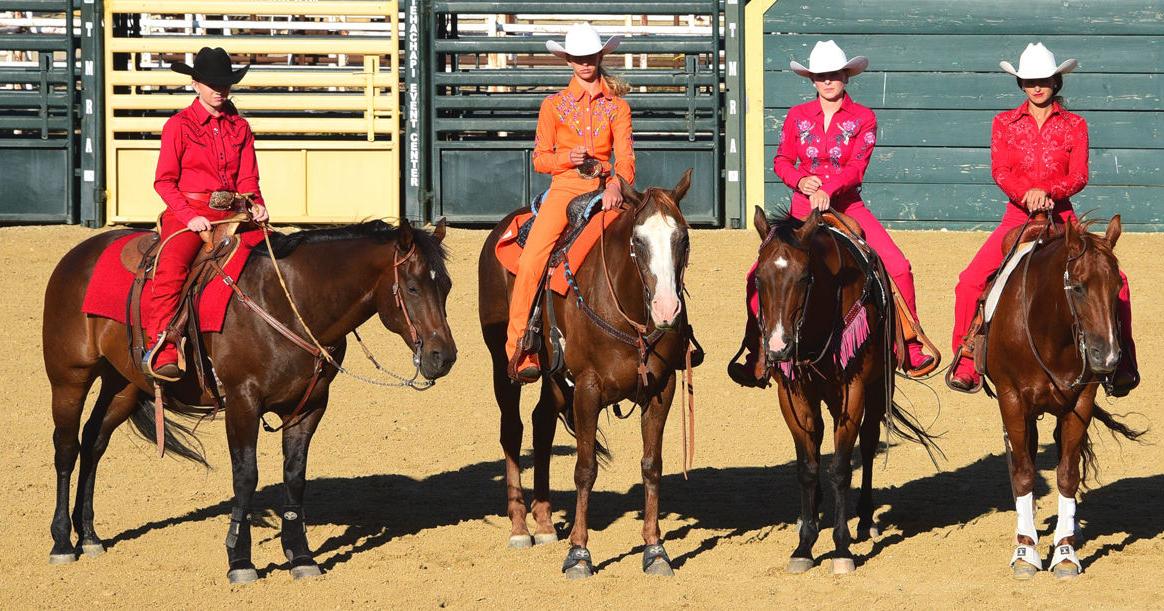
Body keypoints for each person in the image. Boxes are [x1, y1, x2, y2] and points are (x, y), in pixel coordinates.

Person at [728, 40, 935, 387]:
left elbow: (857, 166)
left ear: (846, 77)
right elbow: (781, 160)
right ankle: (756, 352)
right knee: (757, 275)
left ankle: (909, 344)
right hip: (799, 209)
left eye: (834, 75)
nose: (827, 81)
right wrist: (801, 179)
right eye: (821, 76)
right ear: (812, 80)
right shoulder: (797, 116)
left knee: (898, 266)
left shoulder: (863, 117)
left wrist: (828, 188)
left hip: (847, 206)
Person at [948, 43, 1138, 396]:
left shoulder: (1074, 125)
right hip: (1015, 216)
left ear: (1055, 82)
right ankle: (966, 358)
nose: (1036, 87)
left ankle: (1123, 361)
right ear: (1020, 84)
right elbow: (1000, 170)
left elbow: (1079, 174)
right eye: (1029, 81)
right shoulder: (1004, 122)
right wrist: (1027, 194)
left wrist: (1048, 190)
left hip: (1062, 217)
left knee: (1118, 281)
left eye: (1044, 80)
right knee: (969, 282)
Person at [505, 23, 636, 383]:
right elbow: (540, 160)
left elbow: (625, 159)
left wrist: (615, 184)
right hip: (564, 188)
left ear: (600, 56)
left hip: (606, 188)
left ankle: (663, 331)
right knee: (532, 258)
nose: (584, 64)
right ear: (569, 60)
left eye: (589, 56)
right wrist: (567, 159)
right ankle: (520, 347)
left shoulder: (618, 107)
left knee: (645, 243)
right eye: (577, 58)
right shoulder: (553, 106)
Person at [143, 46, 269, 381]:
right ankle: (163, 345)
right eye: (212, 82)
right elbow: (164, 182)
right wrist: (188, 217)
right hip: (189, 212)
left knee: (272, 255)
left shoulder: (239, 127)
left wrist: (256, 203)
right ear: (196, 84)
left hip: (234, 212)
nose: (220, 88)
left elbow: (248, 178)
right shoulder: (178, 126)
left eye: (225, 82)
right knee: (172, 267)